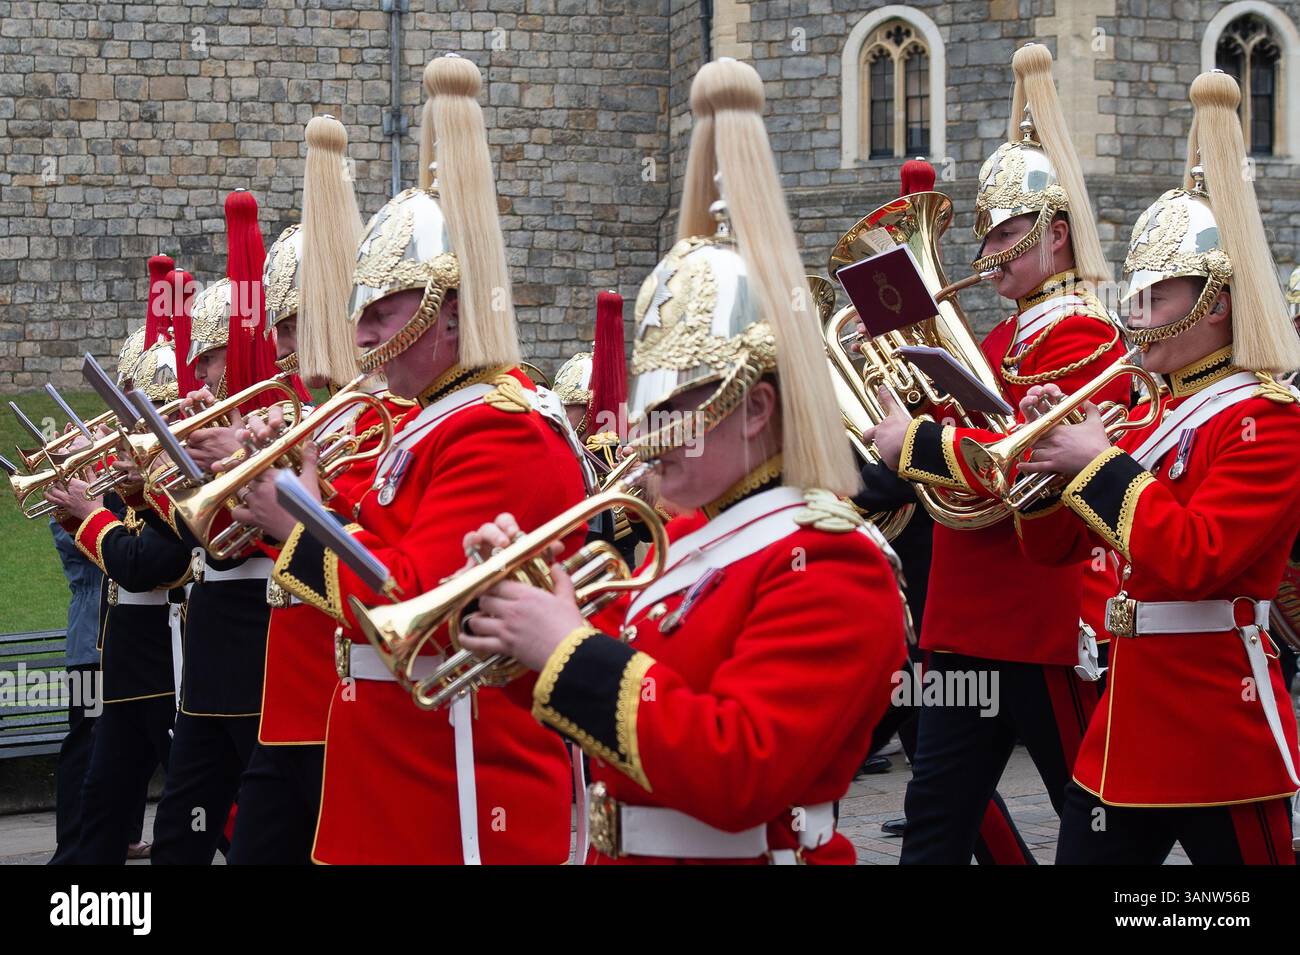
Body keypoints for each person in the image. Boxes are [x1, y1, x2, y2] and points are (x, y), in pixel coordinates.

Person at [456, 57, 908, 866]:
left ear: (759, 408)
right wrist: (521, 622)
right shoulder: (691, 533)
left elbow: (739, 768)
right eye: (651, 408)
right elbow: (608, 704)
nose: (649, 433)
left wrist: (565, 644)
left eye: (676, 411)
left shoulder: (835, 562)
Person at [234, 53, 589, 864]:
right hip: (403, 769)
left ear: (450, 311)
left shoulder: (500, 426)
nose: (358, 337)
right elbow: (392, 542)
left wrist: (299, 519)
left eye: (382, 313)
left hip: (452, 788)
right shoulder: (439, 418)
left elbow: (416, 601)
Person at [1012, 70, 1300, 864]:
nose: (1137, 315)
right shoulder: (1148, 413)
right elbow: (1053, 556)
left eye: (1159, 296)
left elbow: (1196, 557)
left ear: (1217, 300)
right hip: (1124, 721)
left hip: (1218, 726)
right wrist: (1045, 467)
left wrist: (1097, 462)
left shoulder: (1267, 418)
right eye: (1136, 294)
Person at [866, 43, 1129, 863]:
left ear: (1055, 234)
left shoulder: (1083, 327)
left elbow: (1030, 459)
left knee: (1092, 823)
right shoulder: (1007, 331)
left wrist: (918, 439)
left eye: (1007, 235)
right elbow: (973, 434)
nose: (988, 255)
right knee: (937, 821)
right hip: (964, 620)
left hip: (1039, 618)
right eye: (985, 237)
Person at [225, 116, 415, 865]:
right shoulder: (315, 412)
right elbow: (224, 538)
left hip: (344, 694)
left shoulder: (378, 418)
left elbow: (371, 534)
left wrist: (296, 483)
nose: (278, 345)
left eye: (293, 323)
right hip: (292, 693)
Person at [147, 191, 284, 864]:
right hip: (211, 638)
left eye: (211, 356)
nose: (199, 373)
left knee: (257, 827)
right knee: (181, 828)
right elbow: (191, 540)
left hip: (263, 633)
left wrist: (224, 459)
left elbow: (262, 533)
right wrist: (177, 474)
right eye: (199, 359)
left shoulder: (285, 408)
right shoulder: (221, 414)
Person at [46, 339, 190, 864]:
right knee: (92, 783)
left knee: (195, 812)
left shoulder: (159, 490)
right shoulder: (122, 496)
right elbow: (88, 548)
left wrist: (94, 503)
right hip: (100, 652)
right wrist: (77, 495)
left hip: (160, 660)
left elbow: (141, 558)